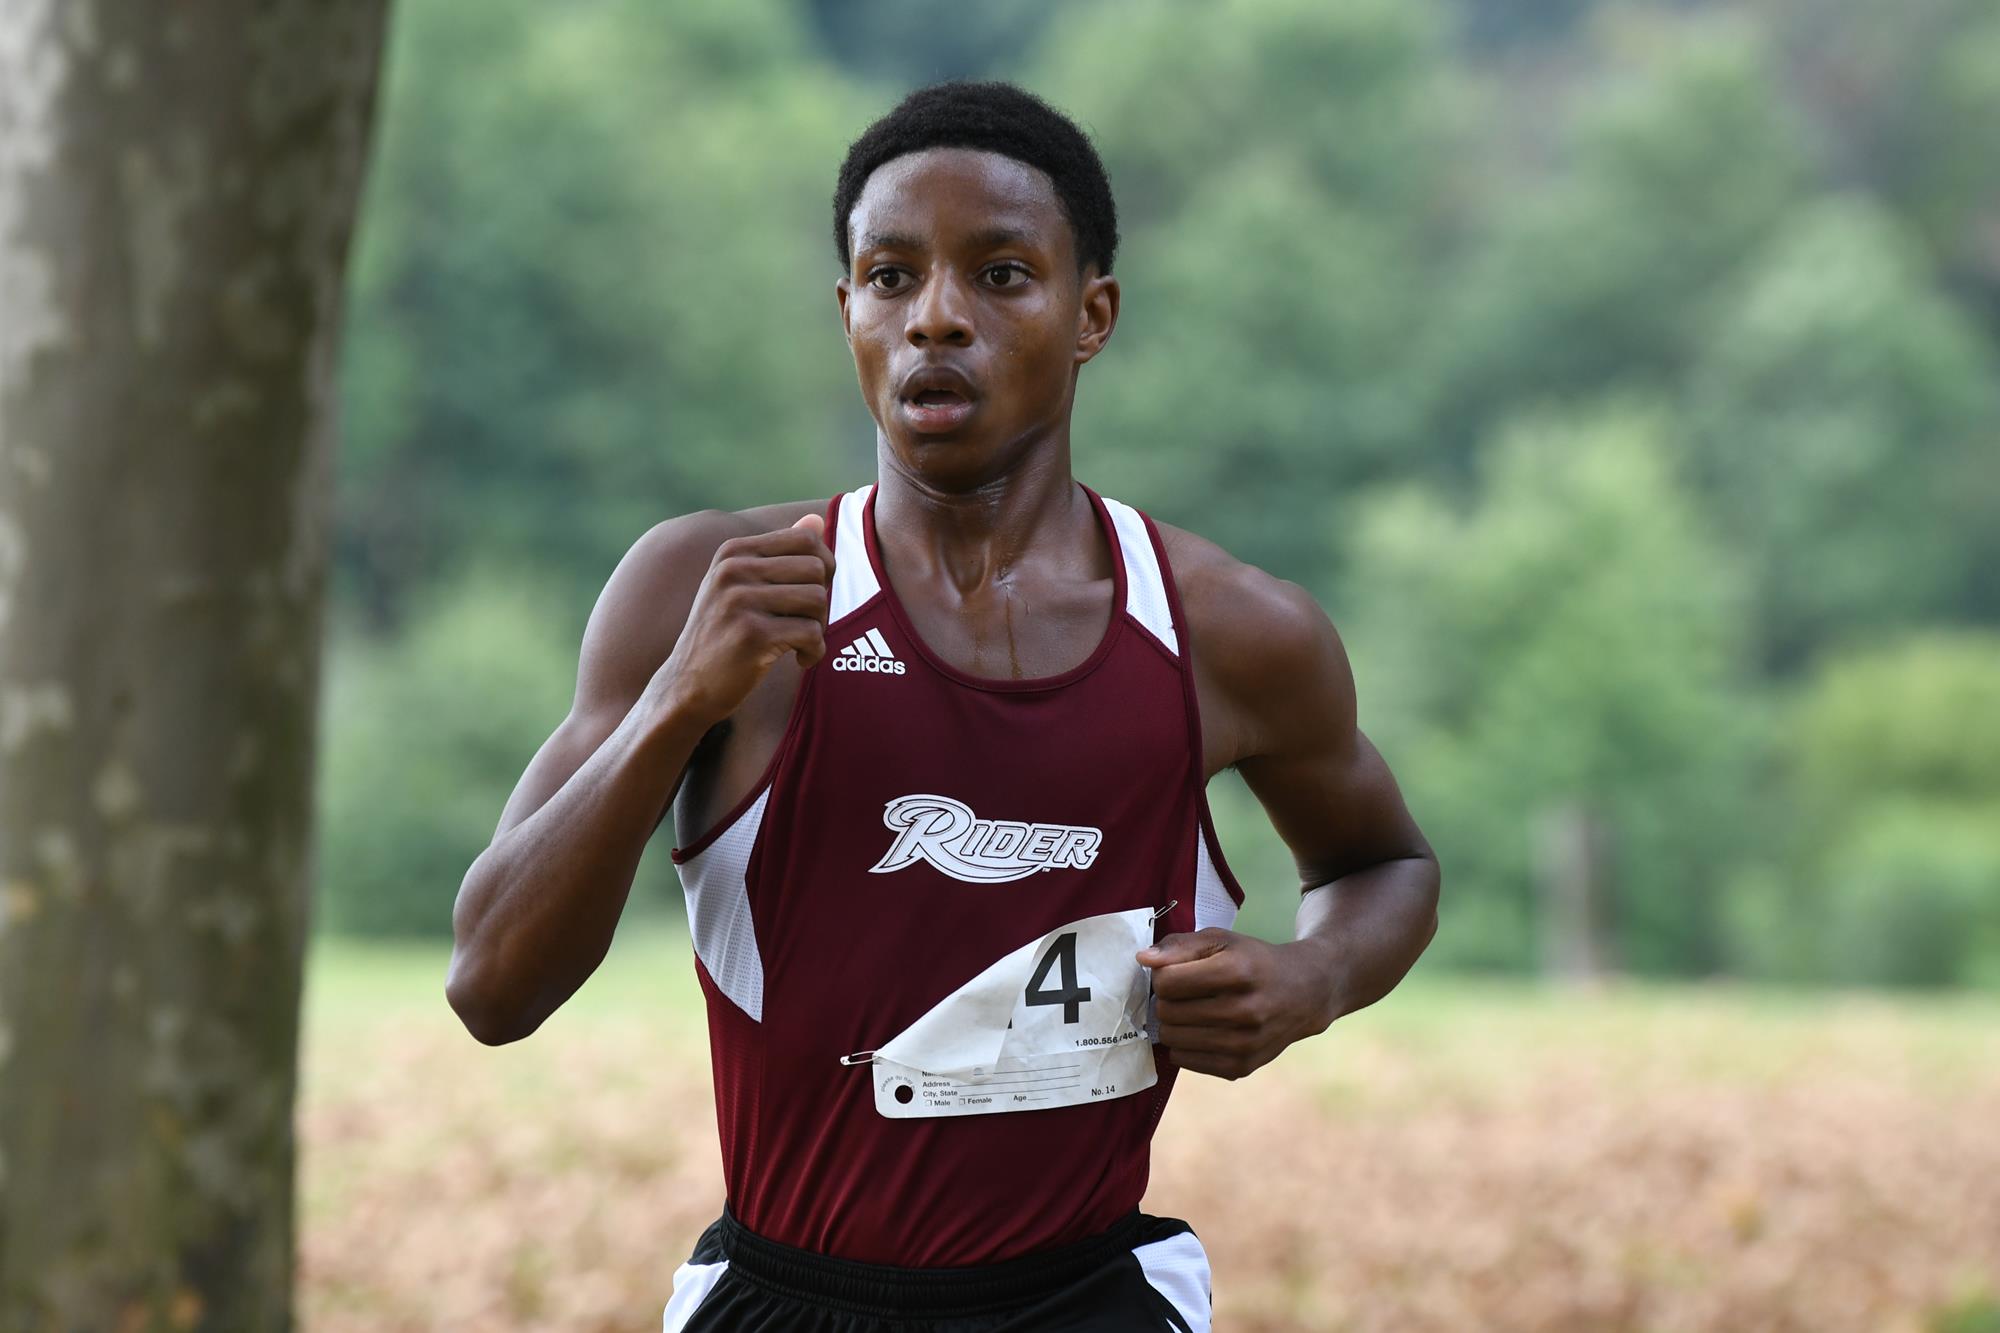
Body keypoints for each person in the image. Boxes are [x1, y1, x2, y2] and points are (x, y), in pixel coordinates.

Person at [445, 79, 1440, 1331]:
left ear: (1091, 315)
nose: (936, 320)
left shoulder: (1226, 632)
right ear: (846, 310)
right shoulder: (709, 589)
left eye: (1000, 276)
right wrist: (672, 707)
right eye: (891, 276)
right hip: (787, 1298)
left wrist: (1313, 974)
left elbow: (1385, 862)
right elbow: (489, 985)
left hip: (1088, 1299)